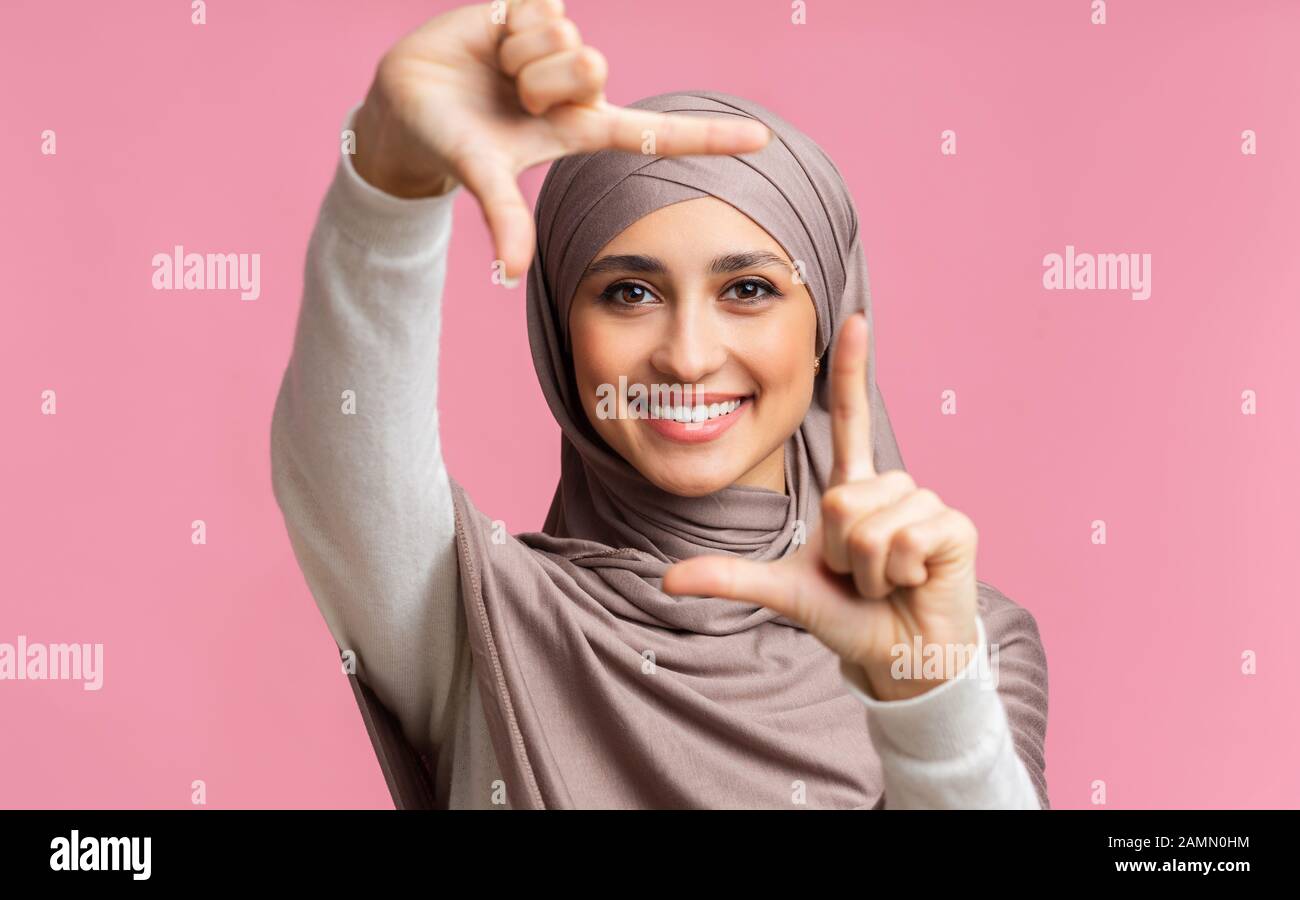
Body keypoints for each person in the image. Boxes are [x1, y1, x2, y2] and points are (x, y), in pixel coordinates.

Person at [270, 0, 1049, 809]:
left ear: (826, 323)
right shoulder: (474, 617)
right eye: (629, 292)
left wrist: (928, 697)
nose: (688, 354)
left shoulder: (969, 644)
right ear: (558, 332)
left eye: (747, 289)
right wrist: (392, 187)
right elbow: (344, 462)